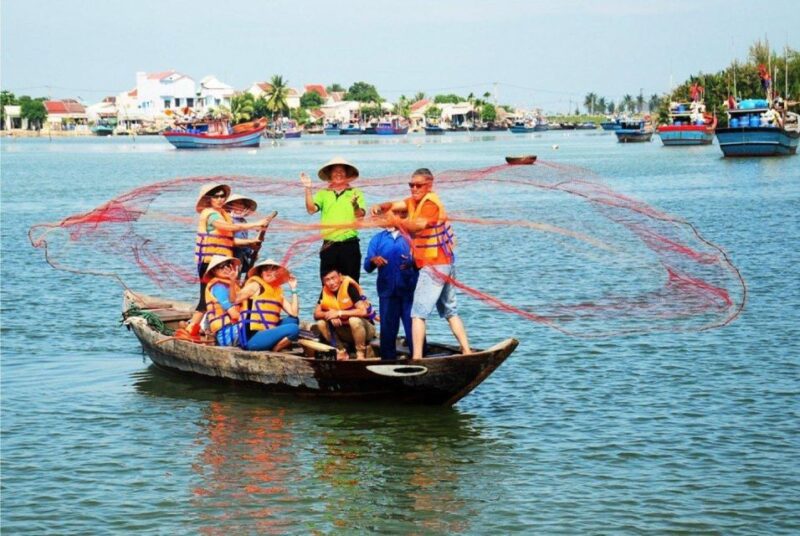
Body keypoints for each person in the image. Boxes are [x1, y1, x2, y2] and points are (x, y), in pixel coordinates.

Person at [370, 168, 471, 359]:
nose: (414, 188)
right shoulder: (414, 202)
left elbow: (418, 225)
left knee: (417, 314)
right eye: (411, 185)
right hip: (445, 263)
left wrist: (396, 221)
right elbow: (396, 204)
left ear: (429, 185)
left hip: (434, 265)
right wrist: (381, 207)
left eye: (419, 185)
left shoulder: (430, 204)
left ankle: (417, 358)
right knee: (450, 310)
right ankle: (466, 350)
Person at [183, 184, 274, 338]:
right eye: (216, 196)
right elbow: (228, 227)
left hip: (224, 261)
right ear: (209, 199)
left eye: (222, 196)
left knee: (229, 293)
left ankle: (214, 326)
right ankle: (190, 330)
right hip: (210, 262)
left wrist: (250, 242)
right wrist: (256, 223)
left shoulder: (223, 214)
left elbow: (230, 240)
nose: (220, 199)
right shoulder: (210, 214)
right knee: (205, 299)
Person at [300, 157, 366, 282]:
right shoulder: (323, 193)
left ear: (347, 174)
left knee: (351, 284)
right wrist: (308, 188)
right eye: (335, 171)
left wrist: (355, 205)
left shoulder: (355, 192)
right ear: (330, 174)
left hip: (349, 245)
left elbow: (360, 215)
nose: (338, 174)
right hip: (329, 245)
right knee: (328, 284)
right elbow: (311, 209)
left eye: (342, 171)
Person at [363, 225, 419, 360]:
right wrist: (373, 260)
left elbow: (423, 260)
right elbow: (367, 266)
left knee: (413, 327)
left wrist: (412, 261)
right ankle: (387, 361)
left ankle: (419, 357)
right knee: (387, 330)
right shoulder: (378, 239)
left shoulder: (411, 236)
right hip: (386, 291)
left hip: (409, 291)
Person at [236, 258, 300, 352]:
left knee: (293, 320)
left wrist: (293, 289)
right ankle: (275, 349)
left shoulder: (277, 291)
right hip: (252, 337)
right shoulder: (255, 285)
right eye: (266, 269)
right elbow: (235, 300)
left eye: (273, 269)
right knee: (294, 329)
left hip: (267, 331)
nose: (269, 272)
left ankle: (272, 344)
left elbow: (294, 313)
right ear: (261, 273)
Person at [313, 269, 376, 360]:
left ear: (340, 276)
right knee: (320, 323)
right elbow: (316, 314)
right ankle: (341, 350)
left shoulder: (349, 288)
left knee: (353, 320)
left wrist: (339, 313)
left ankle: (360, 354)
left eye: (333, 278)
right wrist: (329, 315)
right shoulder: (325, 291)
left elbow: (363, 311)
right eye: (327, 280)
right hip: (344, 331)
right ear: (323, 282)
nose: (331, 282)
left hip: (365, 330)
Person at [202, 255, 243, 347]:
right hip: (227, 334)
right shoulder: (218, 288)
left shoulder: (230, 285)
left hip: (234, 328)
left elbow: (235, 301)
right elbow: (234, 315)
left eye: (228, 265)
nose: (225, 268)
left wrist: (232, 281)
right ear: (213, 270)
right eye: (221, 266)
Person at [224, 194, 260, 278]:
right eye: (237, 204)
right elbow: (231, 241)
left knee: (236, 281)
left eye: (242, 204)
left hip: (240, 257)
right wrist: (251, 243)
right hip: (230, 256)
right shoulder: (228, 220)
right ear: (230, 206)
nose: (240, 207)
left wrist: (251, 253)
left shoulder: (243, 221)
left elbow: (243, 240)